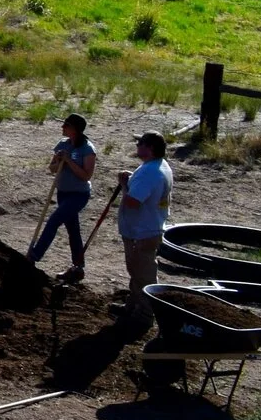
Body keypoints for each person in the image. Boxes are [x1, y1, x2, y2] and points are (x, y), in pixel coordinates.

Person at [27, 114, 97, 281]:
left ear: (75, 129)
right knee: (73, 230)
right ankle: (78, 267)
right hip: (63, 193)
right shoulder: (62, 145)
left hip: (78, 195)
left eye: (66, 125)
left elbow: (86, 175)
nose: (62, 128)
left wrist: (69, 161)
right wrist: (58, 160)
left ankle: (34, 256)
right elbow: (52, 169)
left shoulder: (87, 149)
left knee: (54, 221)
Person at [114, 130, 173, 327]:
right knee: (137, 271)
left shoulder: (150, 172)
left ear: (149, 148)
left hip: (142, 232)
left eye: (140, 144)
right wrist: (131, 180)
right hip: (147, 228)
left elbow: (133, 202)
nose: (137, 147)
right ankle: (133, 306)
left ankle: (146, 315)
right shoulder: (158, 166)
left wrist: (124, 185)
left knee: (143, 274)